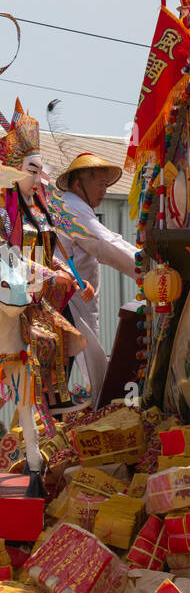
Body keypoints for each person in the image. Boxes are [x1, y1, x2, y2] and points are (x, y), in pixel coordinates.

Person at [0, 100, 91, 410]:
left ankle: (46, 418)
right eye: (32, 171)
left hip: (40, 300)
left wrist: (75, 278)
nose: (38, 179)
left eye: (40, 171)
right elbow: (10, 260)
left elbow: (47, 253)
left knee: (68, 338)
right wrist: (55, 276)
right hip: (12, 302)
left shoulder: (36, 213)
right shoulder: (3, 214)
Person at [56, 152, 137, 402]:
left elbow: (107, 240)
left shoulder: (75, 206)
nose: (104, 191)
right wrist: (147, 264)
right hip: (65, 301)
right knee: (60, 371)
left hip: (73, 301)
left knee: (63, 370)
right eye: (100, 184)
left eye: (106, 185)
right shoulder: (71, 208)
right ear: (79, 183)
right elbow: (104, 243)